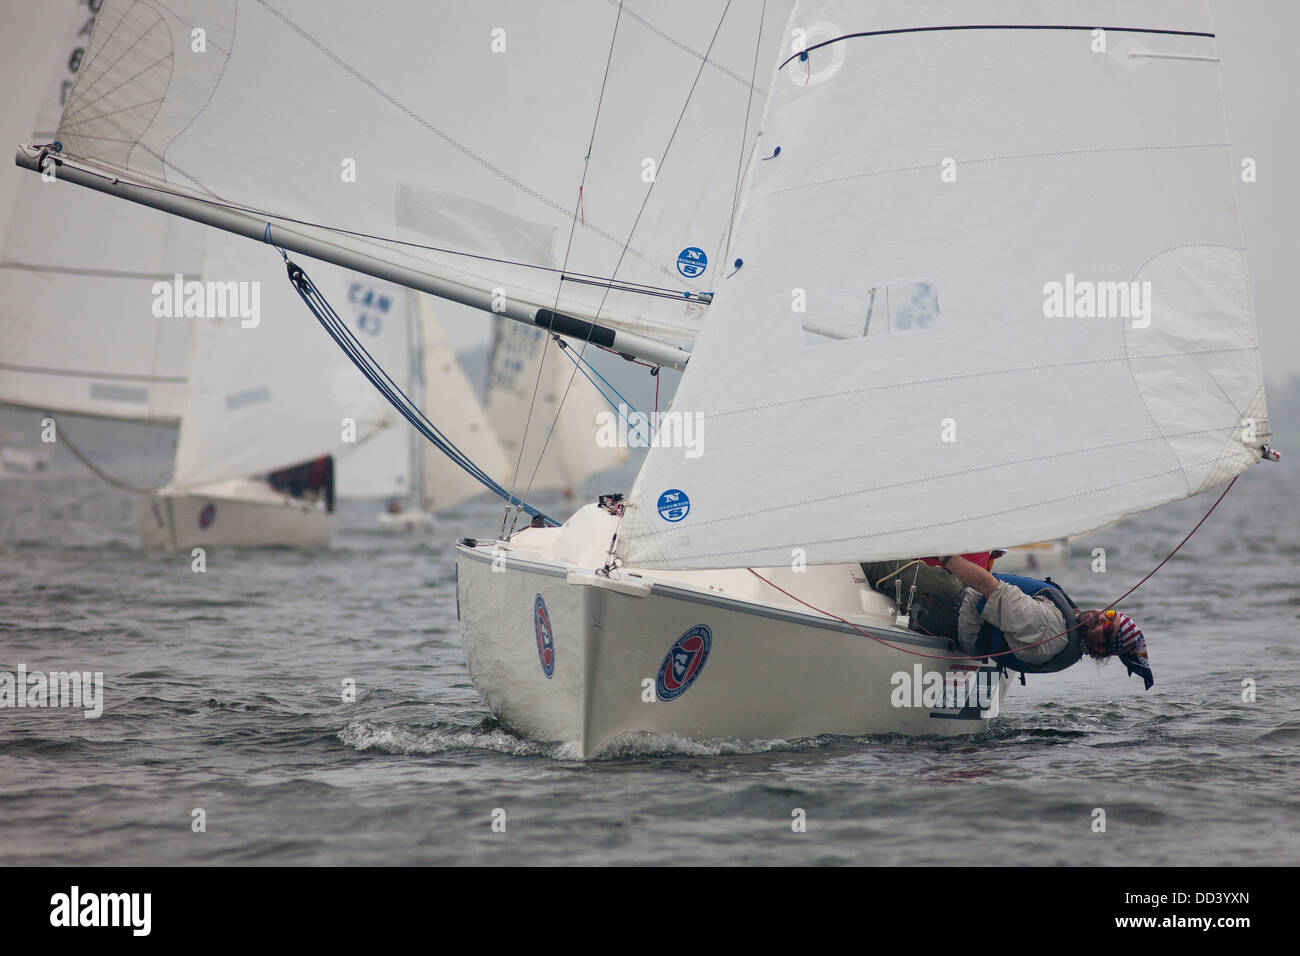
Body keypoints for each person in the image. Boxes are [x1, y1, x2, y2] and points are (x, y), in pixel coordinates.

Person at [859, 554, 1153, 689]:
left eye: (1107, 630)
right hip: (959, 604)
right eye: (1111, 616)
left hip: (946, 603)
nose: (1102, 619)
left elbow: (990, 588)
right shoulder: (1066, 632)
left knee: (875, 561)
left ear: (1100, 651)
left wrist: (944, 553)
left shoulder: (1048, 629)